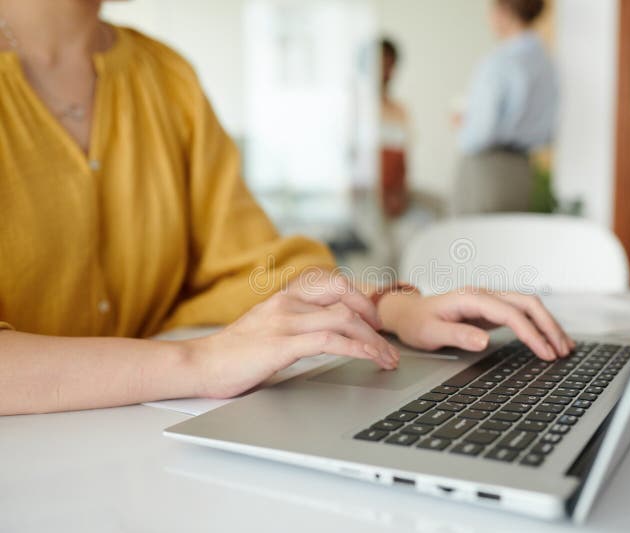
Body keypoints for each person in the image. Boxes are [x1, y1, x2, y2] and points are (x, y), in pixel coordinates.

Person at [0, 0, 573, 416]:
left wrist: (391, 313)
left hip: (137, 451)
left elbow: (249, 263)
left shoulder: (167, 77)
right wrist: (202, 364)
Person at [452, 0, 557, 215]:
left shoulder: (499, 63)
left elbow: (480, 132)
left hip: (487, 171)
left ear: (504, 12)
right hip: (523, 172)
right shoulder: (547, 64)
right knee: (509, 242)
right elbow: (549, 128)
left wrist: (463, 125)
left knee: (468, 243)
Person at [379, 37, 410, 218]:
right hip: (368, 197)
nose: (386, 71)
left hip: (396, 194)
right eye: (382, 64)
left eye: (390, 65)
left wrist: (400, 193)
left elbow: (403, 158)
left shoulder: (399, 110)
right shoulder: (358, 110)